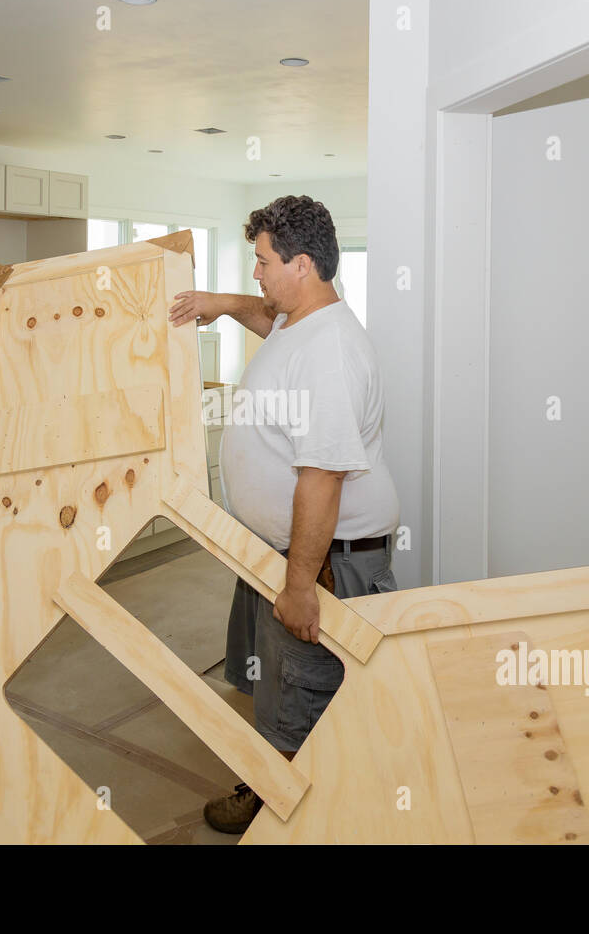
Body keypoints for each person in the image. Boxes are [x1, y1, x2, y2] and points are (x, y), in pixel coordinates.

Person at [168, 195, 400, 833]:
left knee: (306, 693)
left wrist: (300, 584)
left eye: (263, 261)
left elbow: (321, 478)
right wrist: (220, 305)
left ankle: (295, 811)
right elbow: (265, 315)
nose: (256, 274)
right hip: (277, 551)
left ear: (302, 264)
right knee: (272, 682)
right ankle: (273, 782)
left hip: (322, 563)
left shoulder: (329, 353)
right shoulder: (303, 321)